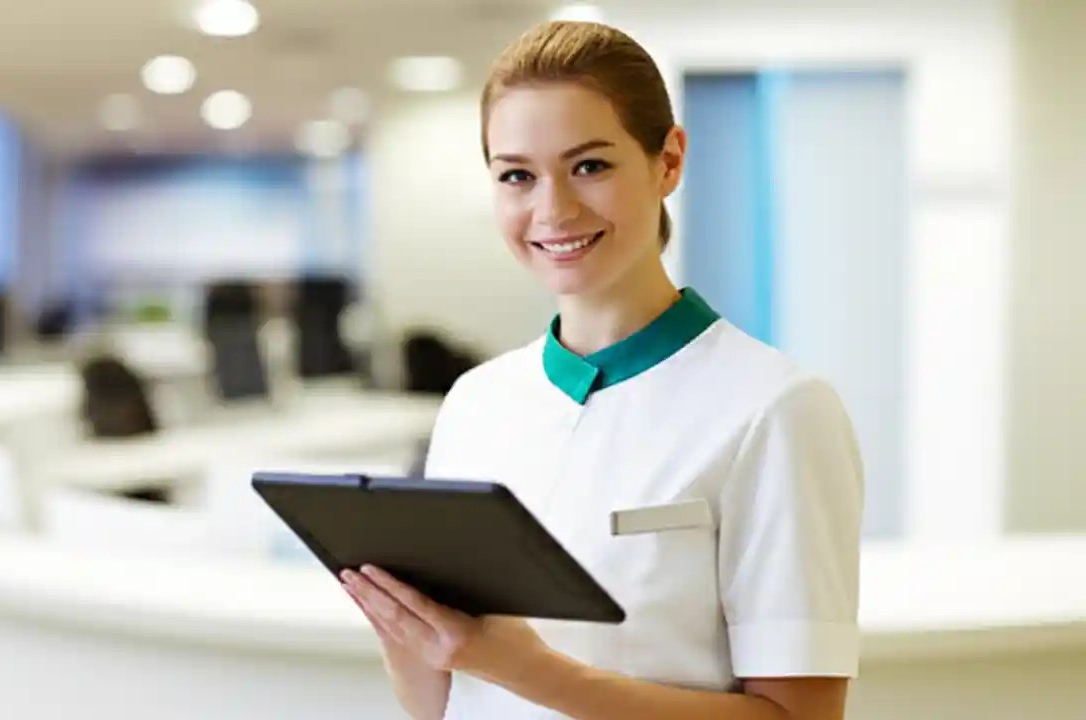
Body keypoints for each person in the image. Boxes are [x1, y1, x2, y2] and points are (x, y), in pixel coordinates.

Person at [341, 20, 864, 720]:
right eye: (517, 176)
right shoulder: (475, 403)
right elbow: (443, 704)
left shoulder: (778, 408)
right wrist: (404, 626)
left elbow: (801, 716)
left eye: (590, 165)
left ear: (668, 161)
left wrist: (527, 670)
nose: (552, 209)